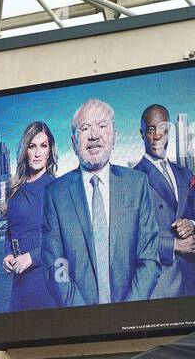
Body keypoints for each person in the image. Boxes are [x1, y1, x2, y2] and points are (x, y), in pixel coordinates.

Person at [40, 98, 160, 307]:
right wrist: (85, 316)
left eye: (102, 126)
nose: (94, 136)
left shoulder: (137, 185)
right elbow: (55, 266)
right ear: (73, 143)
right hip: (79, 323)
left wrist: (128, 314)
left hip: (131, 319)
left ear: (115, 137)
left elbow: (149, 259)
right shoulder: (55, 195)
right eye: (85, 128)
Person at [133, 104, 195, 298]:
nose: (157, 136)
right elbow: (128, 239)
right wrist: (174, 245)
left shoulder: (185, 174)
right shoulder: (133, 179)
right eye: (151, 129)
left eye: (163, 129)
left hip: (191, 280)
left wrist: (192, 224)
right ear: (142, 133)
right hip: (162, 288)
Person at [2, 120, 58, 310]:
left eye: (43, 146)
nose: (37, 153)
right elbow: (10, 231)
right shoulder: (14, 189)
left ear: (50, 151)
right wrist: (8, 253)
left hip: (45, 279)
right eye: (32, 146)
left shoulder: (56, 188)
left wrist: (32, 257)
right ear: (25, 150)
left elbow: (62, 239)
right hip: (19, 281)